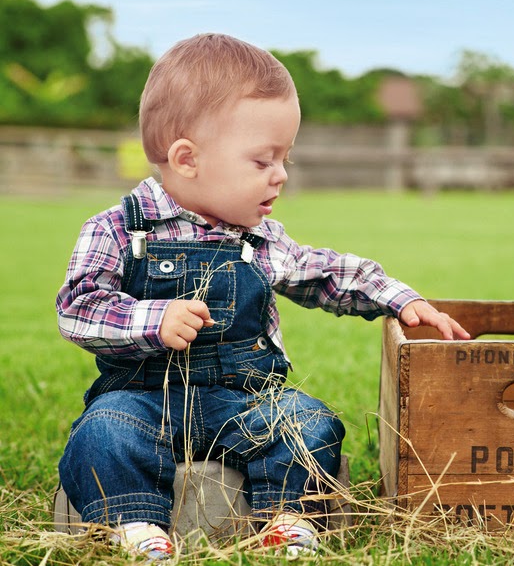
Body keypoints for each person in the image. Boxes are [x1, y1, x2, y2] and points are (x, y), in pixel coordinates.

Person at [55, 32, 470, 561]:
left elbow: (325, 273)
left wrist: (399, 299)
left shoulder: (259, 238)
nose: (281, 175)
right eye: (262, 161)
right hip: (142, 401)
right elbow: (77, 307)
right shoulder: (118, 229)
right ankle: (136, 526)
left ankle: (285, 520)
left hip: (242, 403)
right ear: (187, 158)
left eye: (285, 158)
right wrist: (150, 318)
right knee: (102, 435)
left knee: (310, 423)